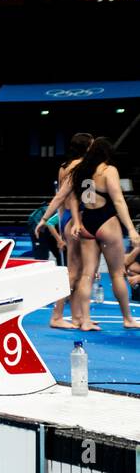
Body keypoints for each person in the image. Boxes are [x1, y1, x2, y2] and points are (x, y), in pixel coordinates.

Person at [64, 137, 139, 331]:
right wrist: (131, 229)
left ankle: (85, 320)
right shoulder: (108, 170)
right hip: (106, 221)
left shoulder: (81, 171)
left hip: (87, 221)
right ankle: (128, 318)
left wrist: (77, 221)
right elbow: (119, 201)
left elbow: (71, 197)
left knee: (87, 274)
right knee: (117, 273)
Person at [36, 133, 93, 329]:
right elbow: (68, 197)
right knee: (75, 272)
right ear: (87, 147)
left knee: (77, 272)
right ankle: (57, 315)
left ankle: (77, 316)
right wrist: (45, 219)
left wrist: (61, 224)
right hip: (77, 219)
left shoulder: (64, 167)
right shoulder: (80, 166)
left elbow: (61, 198)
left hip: (68, 219)